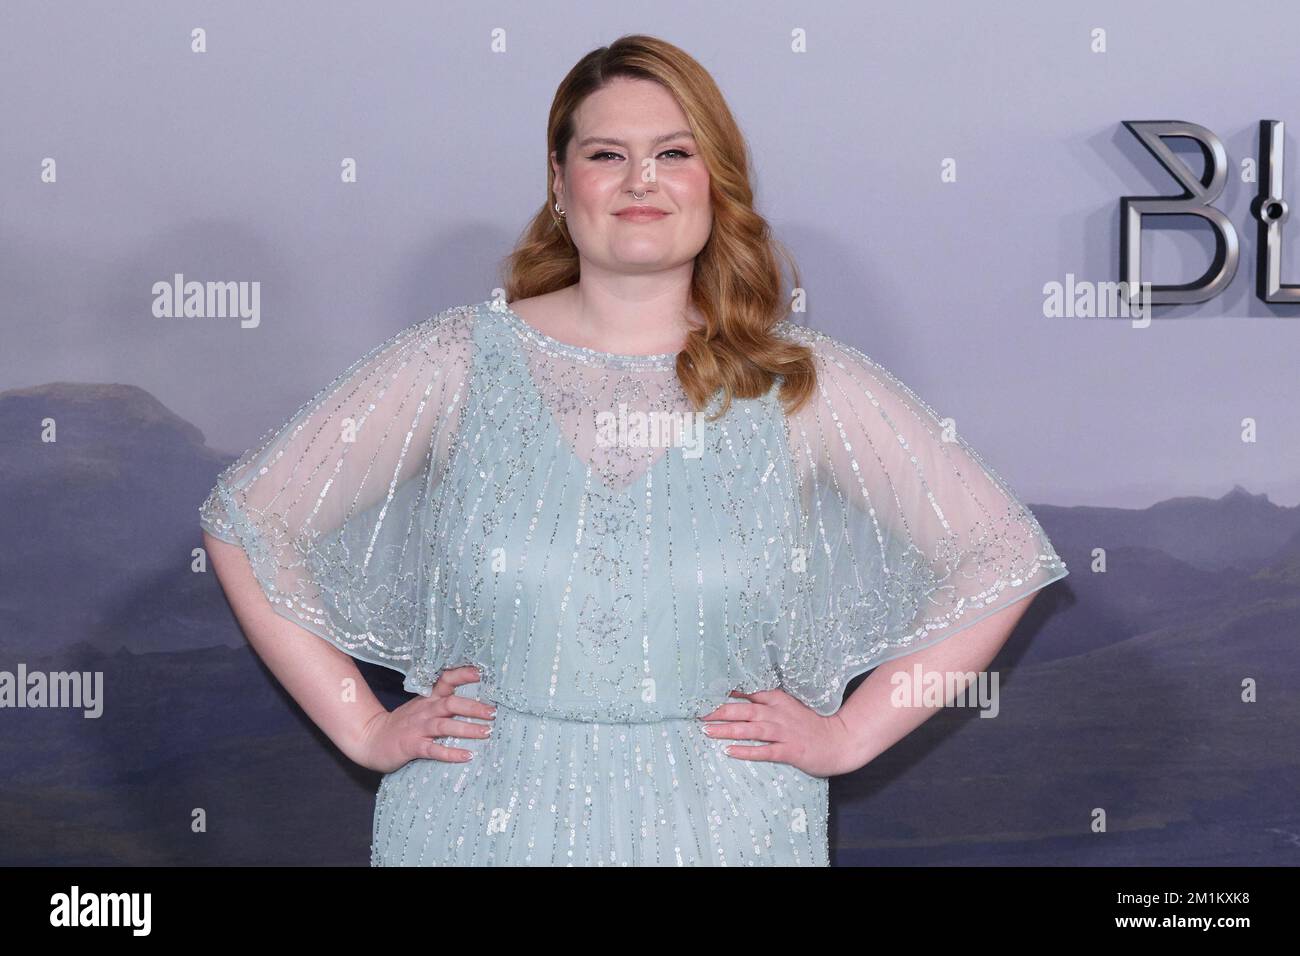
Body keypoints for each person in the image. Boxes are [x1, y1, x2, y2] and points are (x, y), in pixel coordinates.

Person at [199, 34, 1068, 866]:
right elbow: (249, 521)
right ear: (558, 180)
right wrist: (361, 726)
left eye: (675, 153)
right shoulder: (456, 363)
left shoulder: (799, 384)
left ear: (717, 180)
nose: (641, 180)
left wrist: (849, 736)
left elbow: (1000, 555)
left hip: (728, 833)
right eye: (607, 153)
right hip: (473, 829)